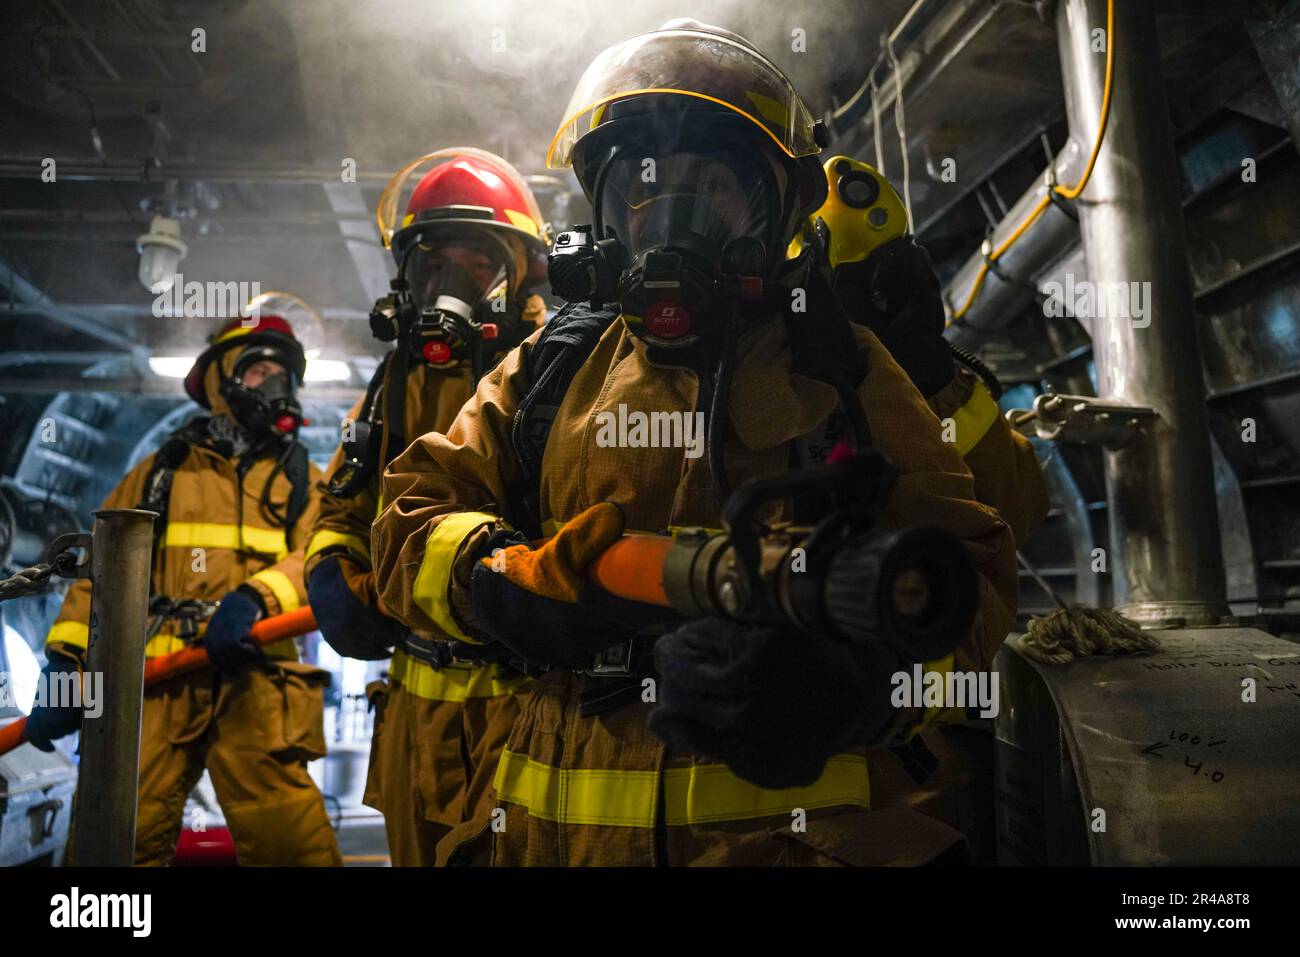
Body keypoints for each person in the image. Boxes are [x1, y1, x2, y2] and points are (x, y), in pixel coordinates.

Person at [372, 21, 1021, 866]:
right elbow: (407, 519)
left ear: (773, 212)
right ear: (604, 212)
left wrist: (854, 691)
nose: (667, 214)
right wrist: (500, 584)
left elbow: (969, 581)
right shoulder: (553, 369)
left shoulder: (836, 364)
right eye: (642, 186)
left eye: (711, 183)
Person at [304, 149, 548, 865]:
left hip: (524, 707)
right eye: (436, 262)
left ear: (521, 271)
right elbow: (339, 508)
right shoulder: (393, 384)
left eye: (480, 262)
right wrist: (329, 570)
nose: (454, 283)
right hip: (414, 718)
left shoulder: (558, 367)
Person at [27, 313, 342, 866]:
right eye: (259, 369)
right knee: (116, 836)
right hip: (155, 688)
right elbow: (105, 568)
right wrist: (67, 663)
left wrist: (254, 600)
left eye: (283, 374)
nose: (275, 386)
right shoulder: (160, 473)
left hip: (256, 678)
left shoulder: (302, 479)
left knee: (290, 845)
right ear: (224, 378)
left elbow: (317, 558)